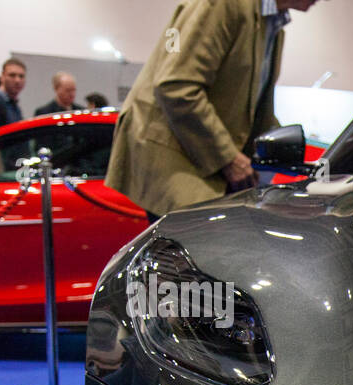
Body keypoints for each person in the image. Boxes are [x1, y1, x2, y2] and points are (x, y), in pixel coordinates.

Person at [106, 0, 325, 220]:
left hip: (201, 159)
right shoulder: (223, 4)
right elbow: (177, 87)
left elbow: (255, 110)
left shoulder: (274, 25)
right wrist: (229, 159)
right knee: (203, 242)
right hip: (172, 151)